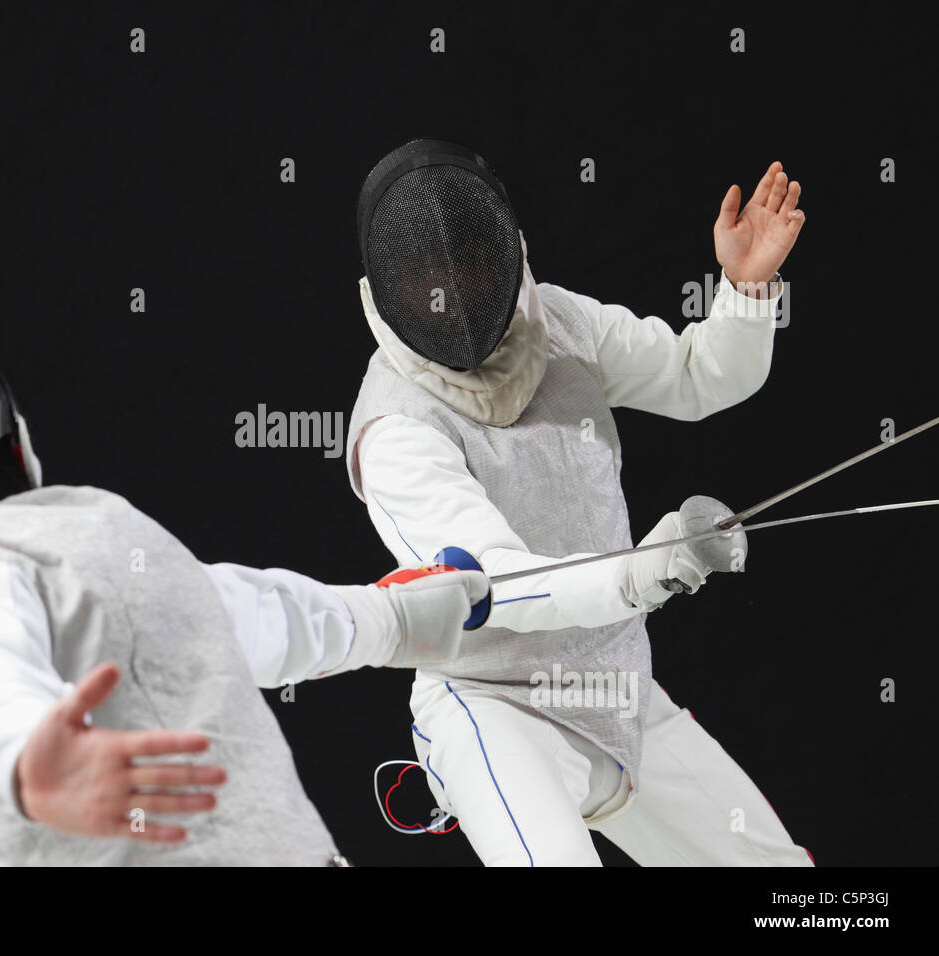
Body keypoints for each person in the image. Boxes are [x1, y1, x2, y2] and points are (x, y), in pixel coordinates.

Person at [0, 300, 487, 866]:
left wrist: (29, 752)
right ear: (17, 444)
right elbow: (266, 619)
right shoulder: (113, 531)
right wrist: (416, 614)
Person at [345, 138, 813, 866]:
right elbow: (495, 584)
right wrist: (644, 570)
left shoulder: (561, 325)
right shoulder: (394, 427)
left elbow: (698, 376)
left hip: (617, 690)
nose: (448, 290)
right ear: (390, 285)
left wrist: (745, 292)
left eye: (465, 259)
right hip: (495, 707)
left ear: (502, 249)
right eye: (422, 272)